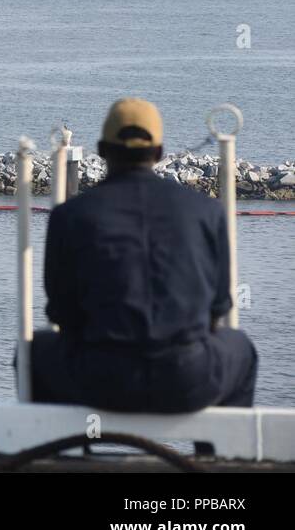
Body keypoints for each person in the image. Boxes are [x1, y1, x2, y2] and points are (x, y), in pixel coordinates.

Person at [30, 97, 258, 412]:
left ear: (101, 149)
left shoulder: (70, 215)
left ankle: (59, 455)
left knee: (32, 353)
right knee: (242, 348)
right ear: (160, 153)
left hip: (100, 380)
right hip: (187, 379)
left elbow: (62, 312)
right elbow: (219, 308)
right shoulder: (206, 211)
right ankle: (218, 457)